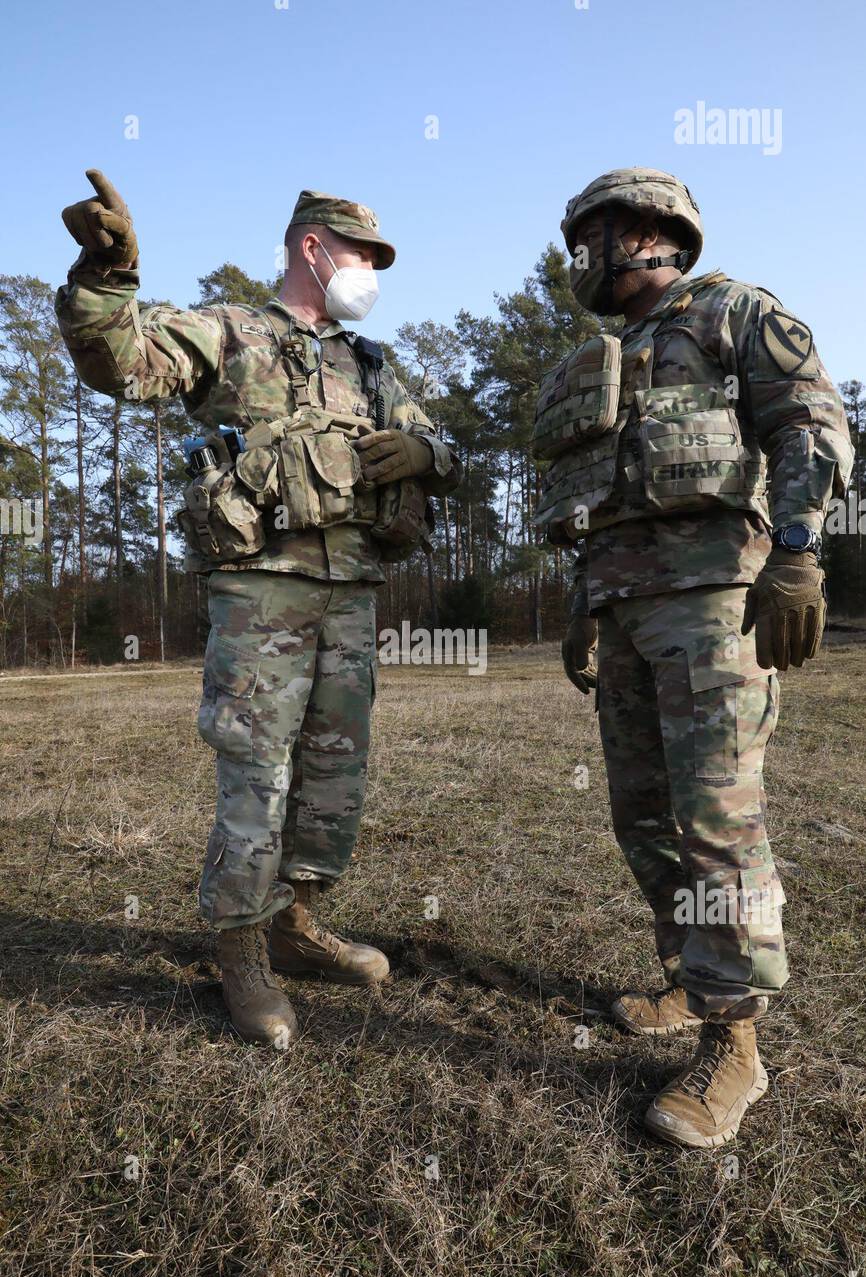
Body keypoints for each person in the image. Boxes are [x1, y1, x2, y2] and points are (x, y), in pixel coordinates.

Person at [57, 172, 461, 1050]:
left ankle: (297, 921)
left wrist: (421, 448)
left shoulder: (370, 362)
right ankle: (241, 953)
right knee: (256, 773)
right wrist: (107, 273)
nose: (372, 271)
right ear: (314, 249)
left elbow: (448, 450)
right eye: (363, 254)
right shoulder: (230, 328)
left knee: (333, 775)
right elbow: (120, 363)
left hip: (352, 593)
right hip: (262, 591)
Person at [533, 168, 853, 1146]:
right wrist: (585, 606)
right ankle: (686, 977)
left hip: (714, 604)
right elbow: (599, 498)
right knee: (641, 816)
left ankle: (733, 1047)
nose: (576, 256)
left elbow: (808, 422)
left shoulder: (728, 314)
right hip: (624, 615)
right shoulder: (604, 356)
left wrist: (796, 555)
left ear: (642, 229)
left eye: (587, 235)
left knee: (716, 825)